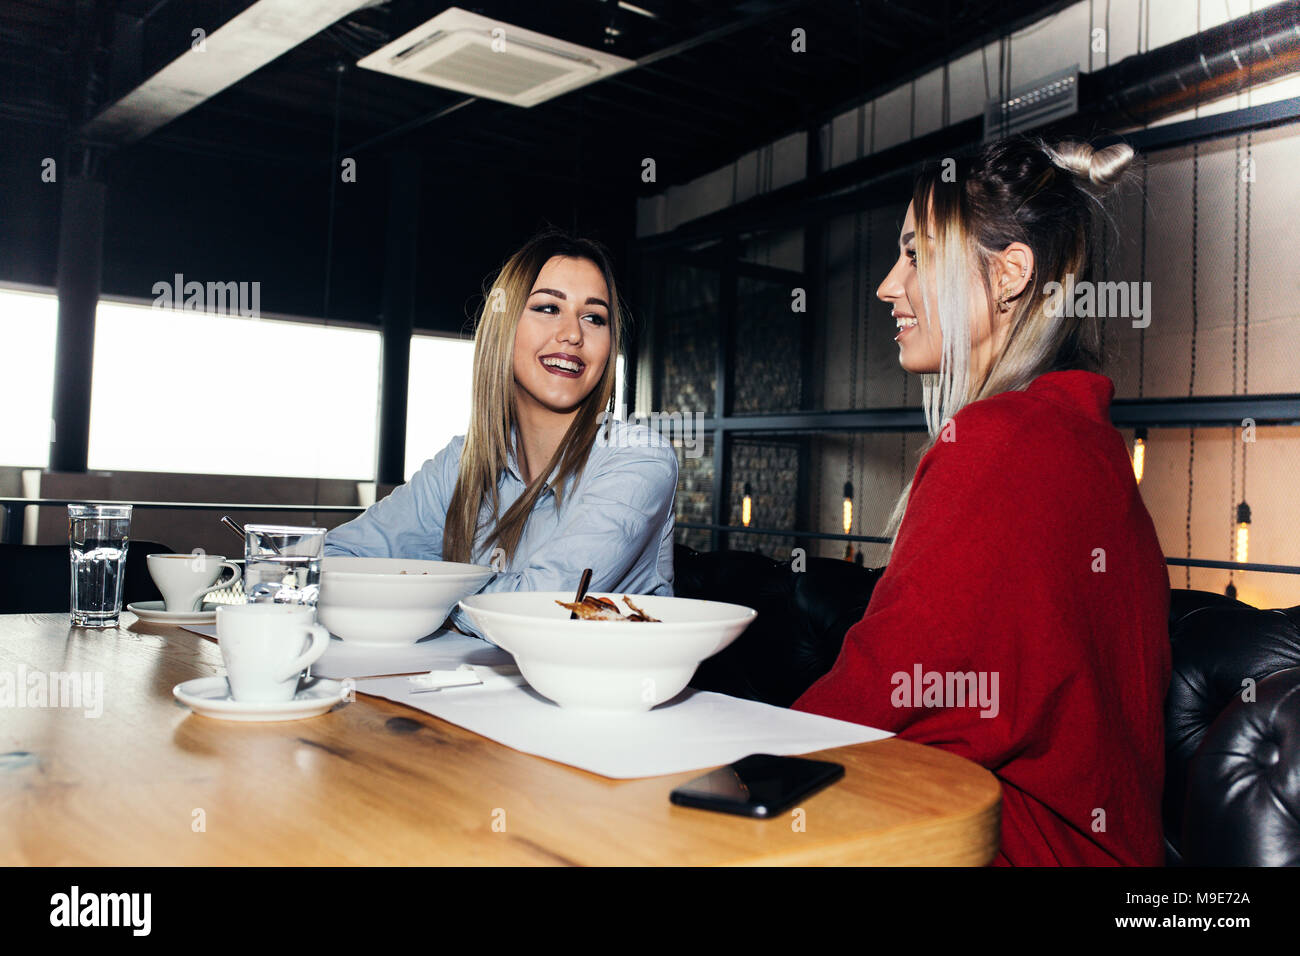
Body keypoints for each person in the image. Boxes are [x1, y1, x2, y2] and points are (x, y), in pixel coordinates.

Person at [792, 136, 1171, 866]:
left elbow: (883, 689)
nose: (886, 285)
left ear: (1008, 275)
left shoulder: (1003, 440)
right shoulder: (1078, 441)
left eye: (915, 254)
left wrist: (734, 761)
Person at [325, 228, 678, 638]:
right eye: (548, 308)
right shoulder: (460, 463)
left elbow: (539, 610)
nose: (573, 334)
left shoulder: (638, 458)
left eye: (594, 317)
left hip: (606, 694)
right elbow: (337, 558)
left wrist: (426, 587)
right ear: (503, 324)